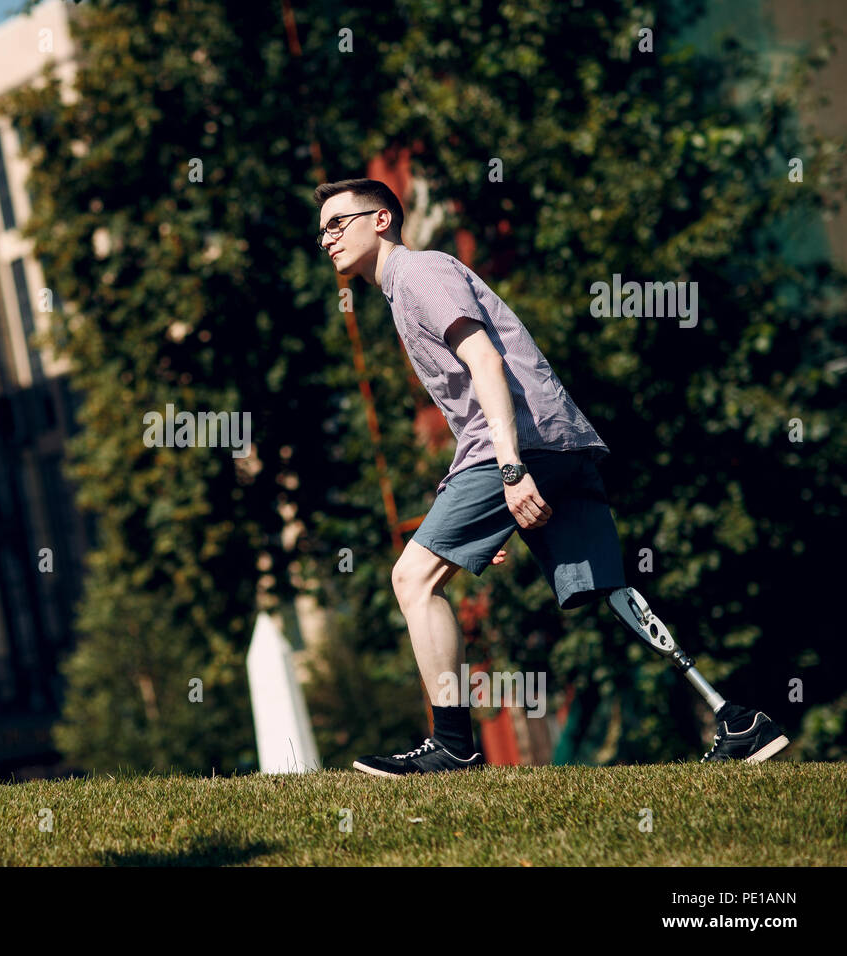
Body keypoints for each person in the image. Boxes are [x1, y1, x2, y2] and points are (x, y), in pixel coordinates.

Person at [314, 178, 789, 776]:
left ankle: (453, 745)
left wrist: (510, 471)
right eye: (322, 230)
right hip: (557, 442)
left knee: (412, 579)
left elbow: (485, 361)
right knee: (611, 589)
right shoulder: (403, 289)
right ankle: (738, 719)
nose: (326, 239)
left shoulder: (419, 274)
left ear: (380, 219)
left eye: (337, 223)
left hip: (522, 446)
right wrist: (484, 518)